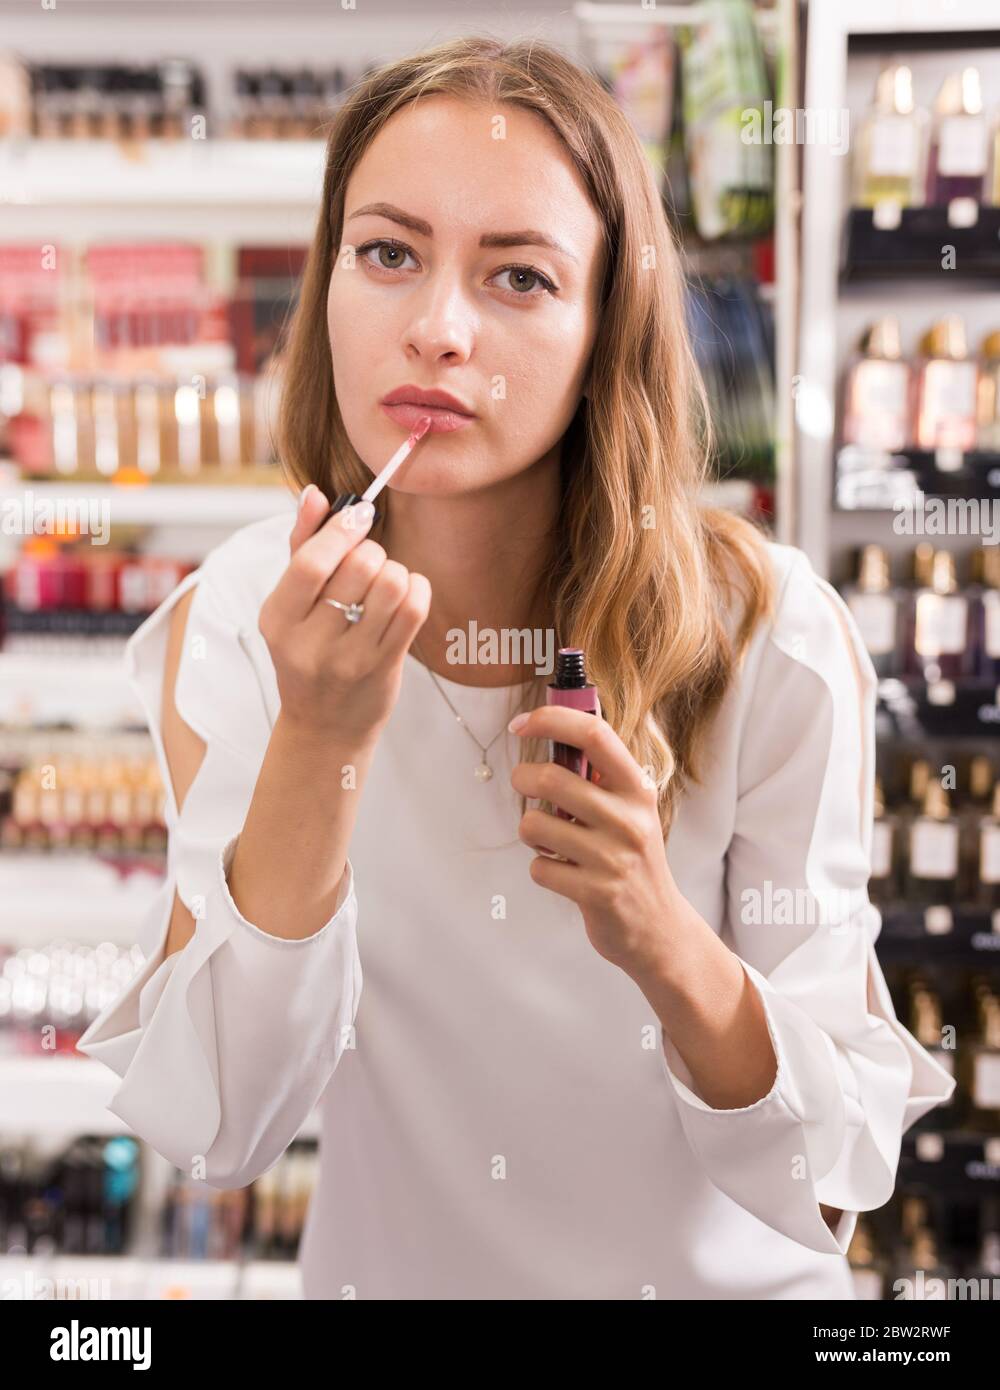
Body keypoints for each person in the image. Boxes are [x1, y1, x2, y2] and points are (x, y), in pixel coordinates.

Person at [78, 36, 953, 1300]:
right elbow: (219, 1128)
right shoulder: (245, 619)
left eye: (519, 278)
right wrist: (318, 745)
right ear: (328, 284)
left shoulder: (768, 631)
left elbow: (832, 1177)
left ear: (609, 327)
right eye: (388, 254)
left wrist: (661, 935)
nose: (436, 330)